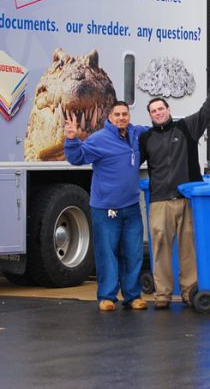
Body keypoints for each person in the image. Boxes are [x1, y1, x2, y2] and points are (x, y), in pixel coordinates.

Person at [139, 74, 210, 309]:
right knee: (160, 251)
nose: (158, 113)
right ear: (150, 115)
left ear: (168, 109)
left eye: (160, 108)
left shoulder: (186, 128)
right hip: (159, 202)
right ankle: (162, 296)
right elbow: (130, 162)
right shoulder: (146, 138)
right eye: (153, 111)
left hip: (186, 199)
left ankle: (189, 292)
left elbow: (207, 112)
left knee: (188, 250)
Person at [64, 101, 149, 311]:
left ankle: (133, 296)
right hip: (105, 208)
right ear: (109, 117)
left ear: (129, 116)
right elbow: (77, 158)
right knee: (107, 253)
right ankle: (106, 297)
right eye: (117, 114)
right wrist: (71, 139)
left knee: (134, 253)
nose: (121, 118)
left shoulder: (137, 134)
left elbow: (159, 132)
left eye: (125, 114)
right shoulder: (99, 139)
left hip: (131, 207)